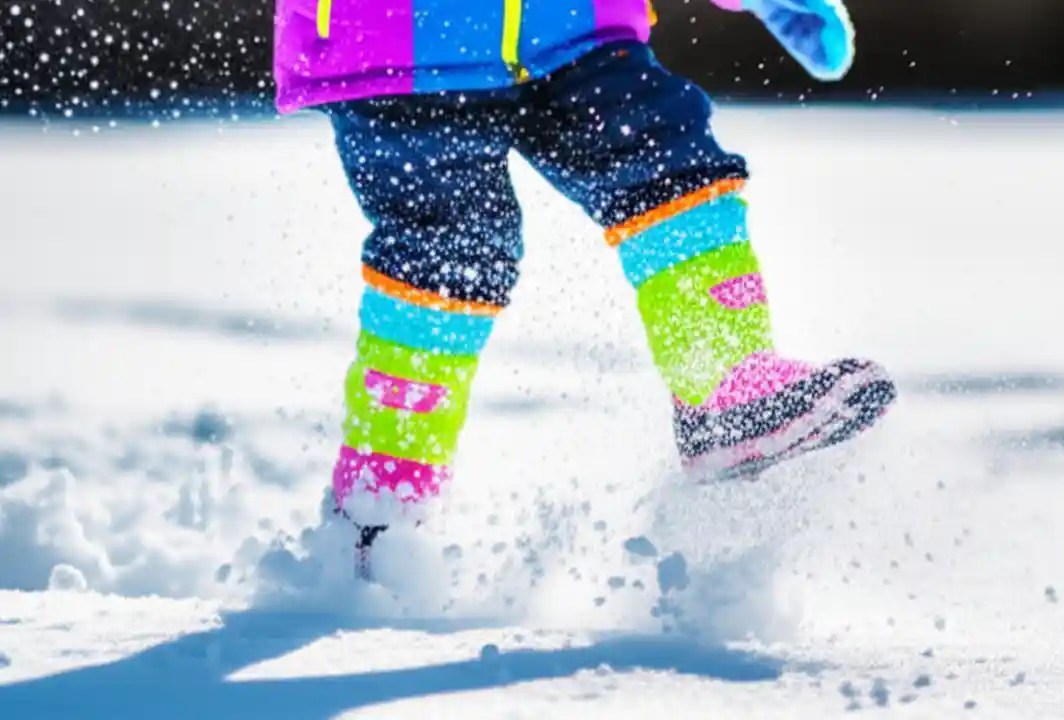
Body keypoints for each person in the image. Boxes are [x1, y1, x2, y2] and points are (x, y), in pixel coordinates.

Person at [273, 0, 896, 569]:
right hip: (399, 44)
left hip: (574, 29)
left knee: (667, 161)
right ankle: (382, 503)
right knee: (448, 258)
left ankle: (724, 387)